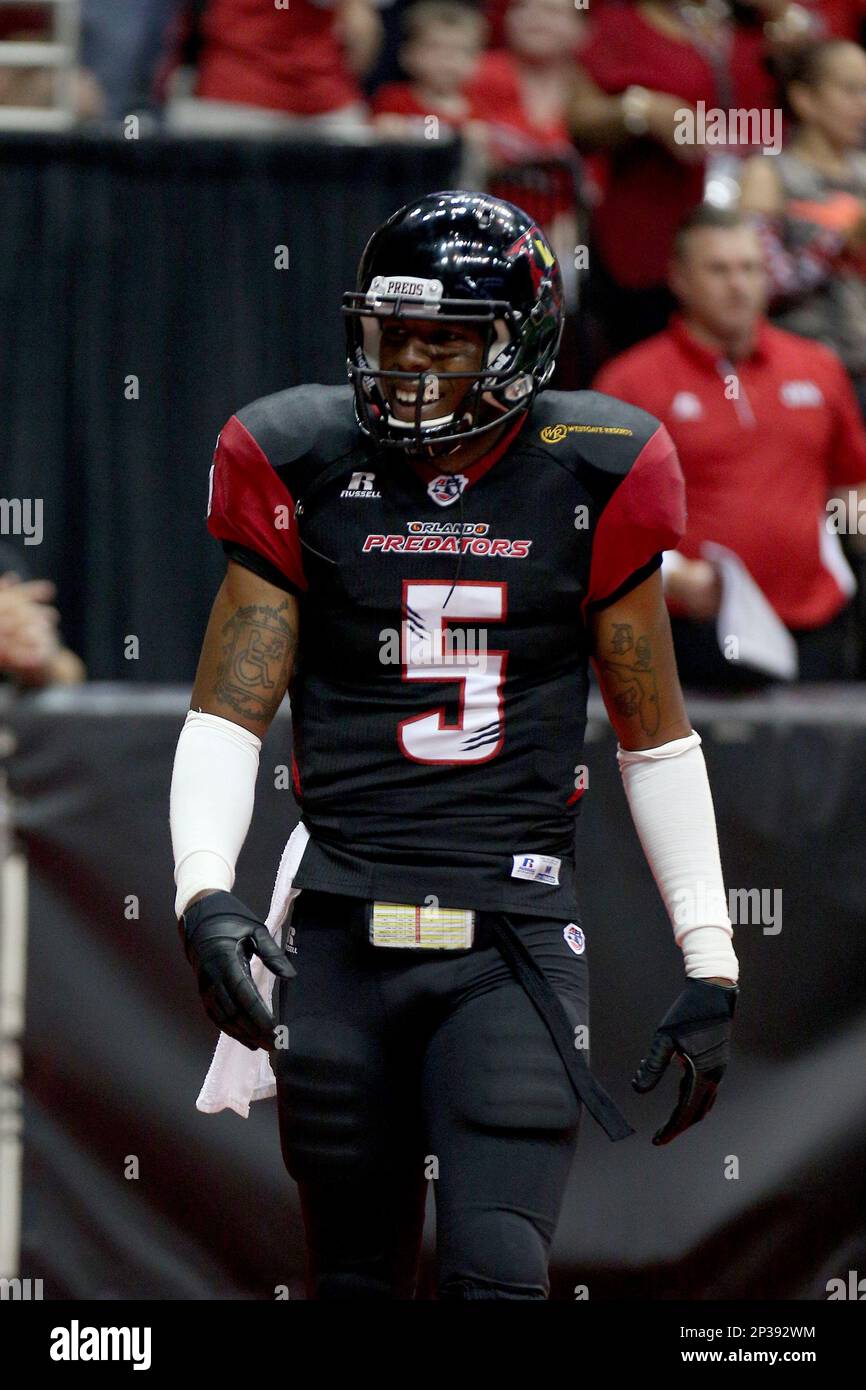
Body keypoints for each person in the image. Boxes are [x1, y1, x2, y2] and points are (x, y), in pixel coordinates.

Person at [170, 191, 739, 1301]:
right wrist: (201, 892)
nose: (413, 366)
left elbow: (653, 736)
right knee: (350, 1279)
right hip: (336, 932)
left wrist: (711, 956)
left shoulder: (590, 466)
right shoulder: (302, 457)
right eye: (396, 335)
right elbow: (227, 711)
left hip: (510, 938)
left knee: (497, 1277)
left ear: (519, 343)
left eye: (449, 339)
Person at [594, 205, 866, 687]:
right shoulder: (630, 383)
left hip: (814, 623)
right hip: (690, 633)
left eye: (750, 268)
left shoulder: (819, 368)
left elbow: (850, 487)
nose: (738, 284)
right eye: (719, 270)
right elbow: (599, 517)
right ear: (678, 278)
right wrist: (669, 577)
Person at [738, 39, 866, 415]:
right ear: (804, 99)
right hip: (803, 373)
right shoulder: (768, 175)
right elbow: (758, 285)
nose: (863, 104)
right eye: (851, 90)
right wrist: (837, 246)